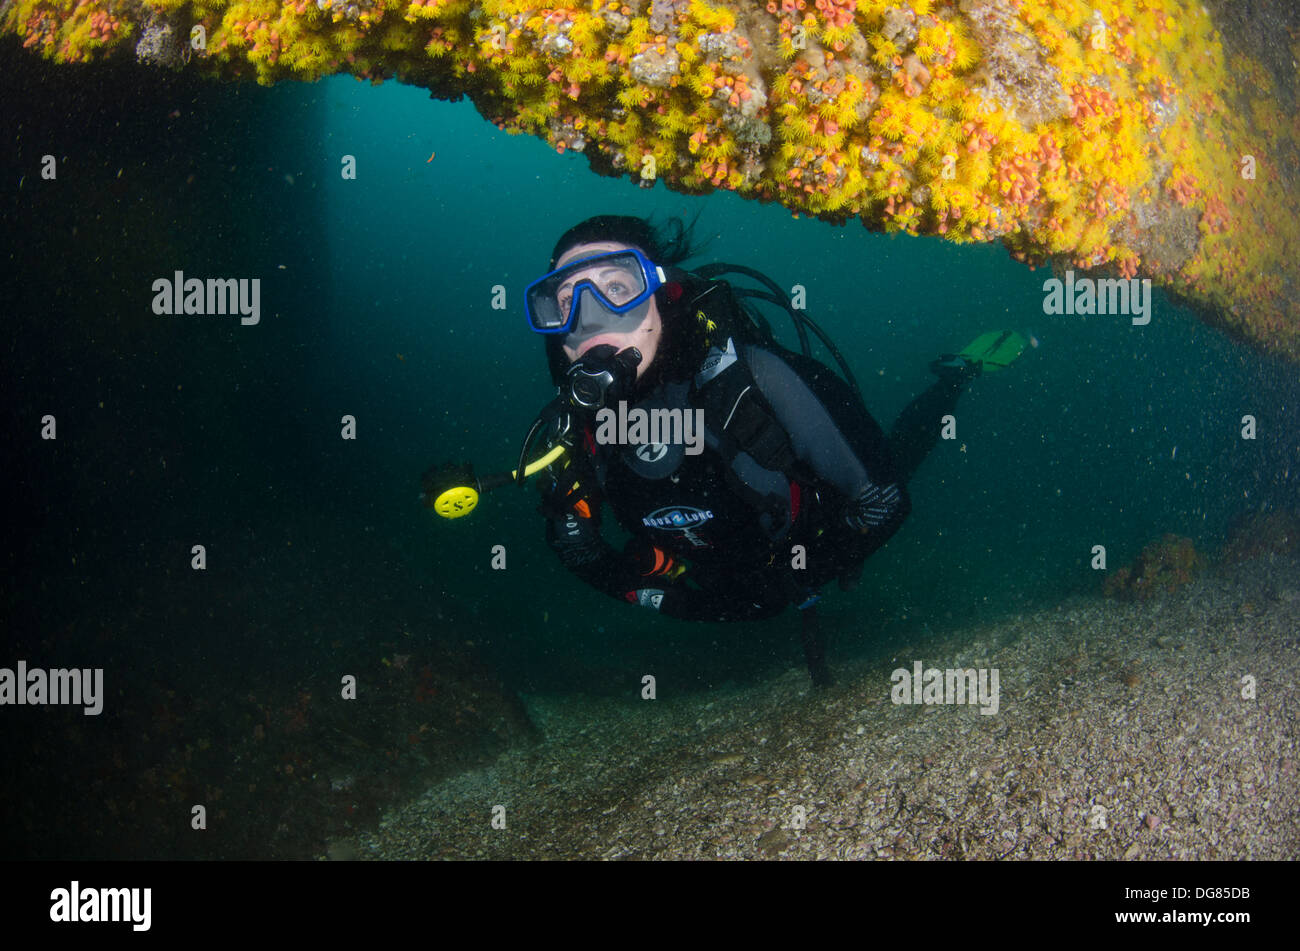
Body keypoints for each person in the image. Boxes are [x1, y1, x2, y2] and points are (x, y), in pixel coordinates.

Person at [524, 214, 1021, 682]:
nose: (588, 317)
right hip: (709, 575)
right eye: (565, 299)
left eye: (617, 287)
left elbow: (885, 502)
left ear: (665, 291)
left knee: (900, 455)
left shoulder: (758, 380)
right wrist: (679, 602)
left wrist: (800, 575)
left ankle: (955, 379)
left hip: (810, 534)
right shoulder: (573, 429)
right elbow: (579, 551)